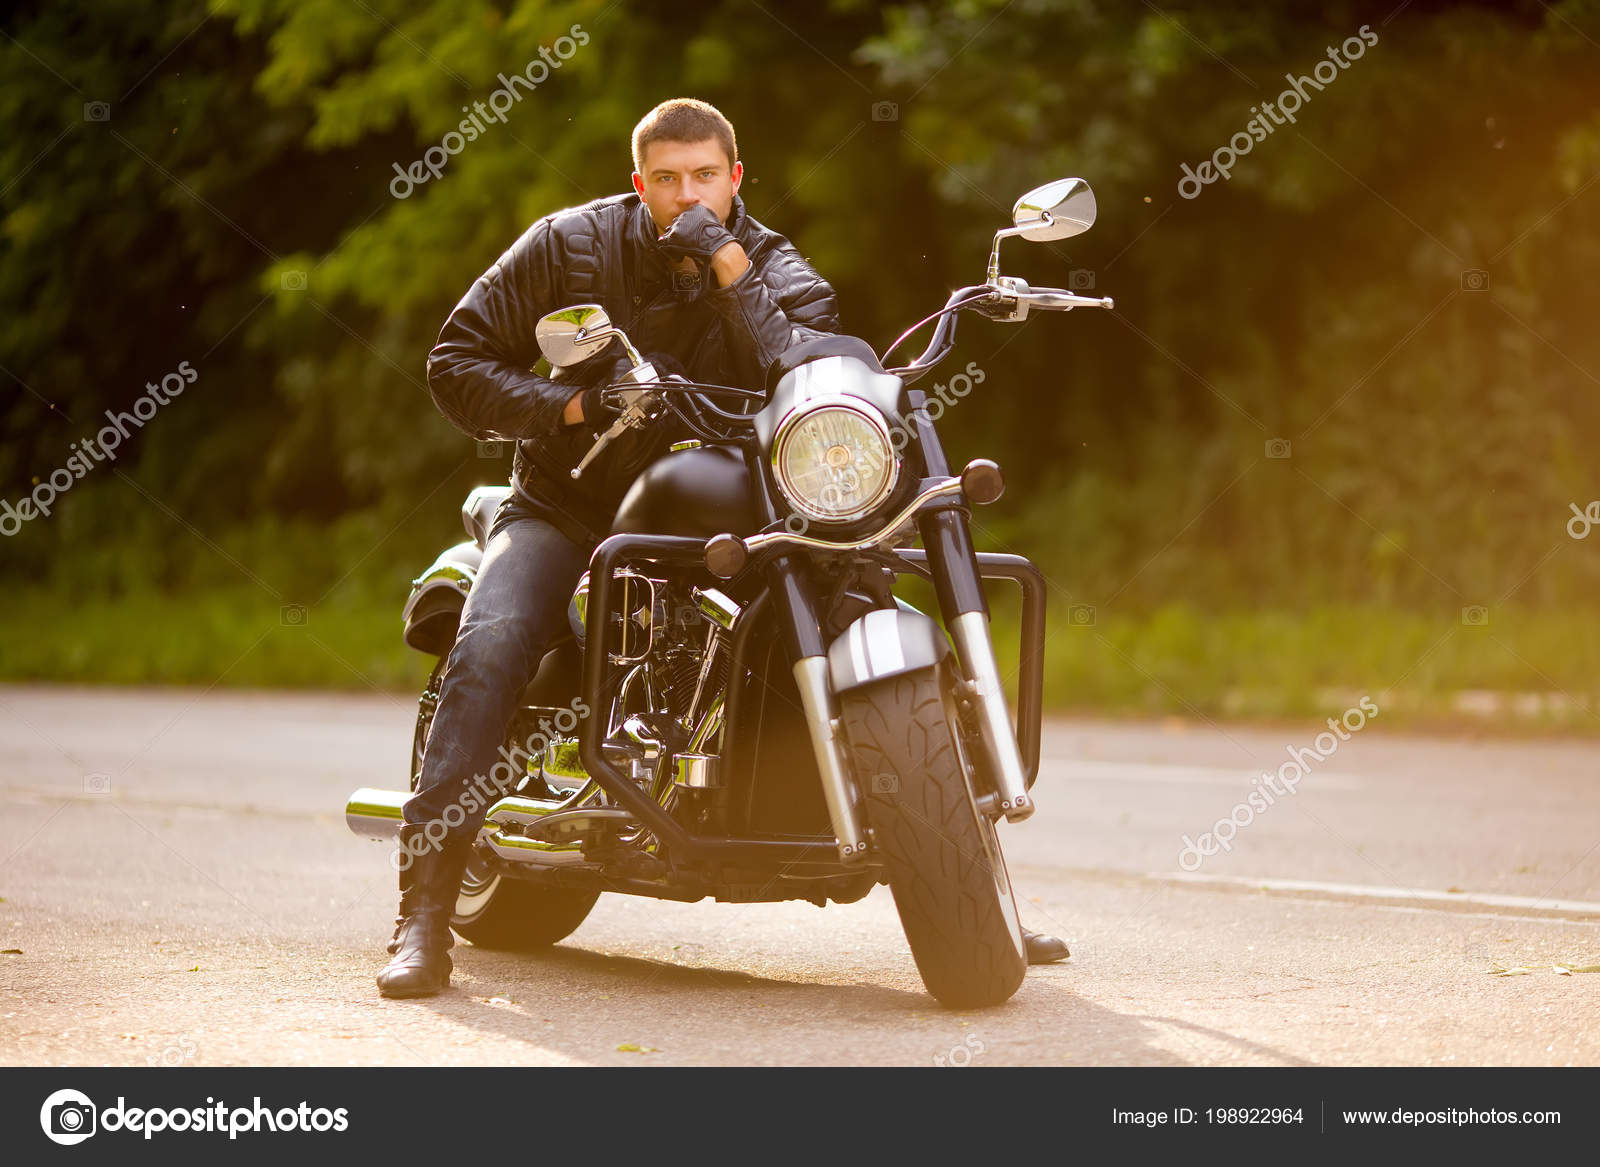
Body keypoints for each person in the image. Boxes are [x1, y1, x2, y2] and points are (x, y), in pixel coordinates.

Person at [377, 98, 1065, 999]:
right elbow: (455, 361)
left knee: (856, 585)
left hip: (739, 504)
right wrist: (575, 406)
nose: (686, 195)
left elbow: (807, 356)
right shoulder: (570, 244)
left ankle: (970, 889)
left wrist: (729, 263)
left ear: (736, 179)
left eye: (705, 176)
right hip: (571, 503)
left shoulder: (773, 262)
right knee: (495, 642)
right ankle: (424, 913)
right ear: (639, 183)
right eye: (666, 179)